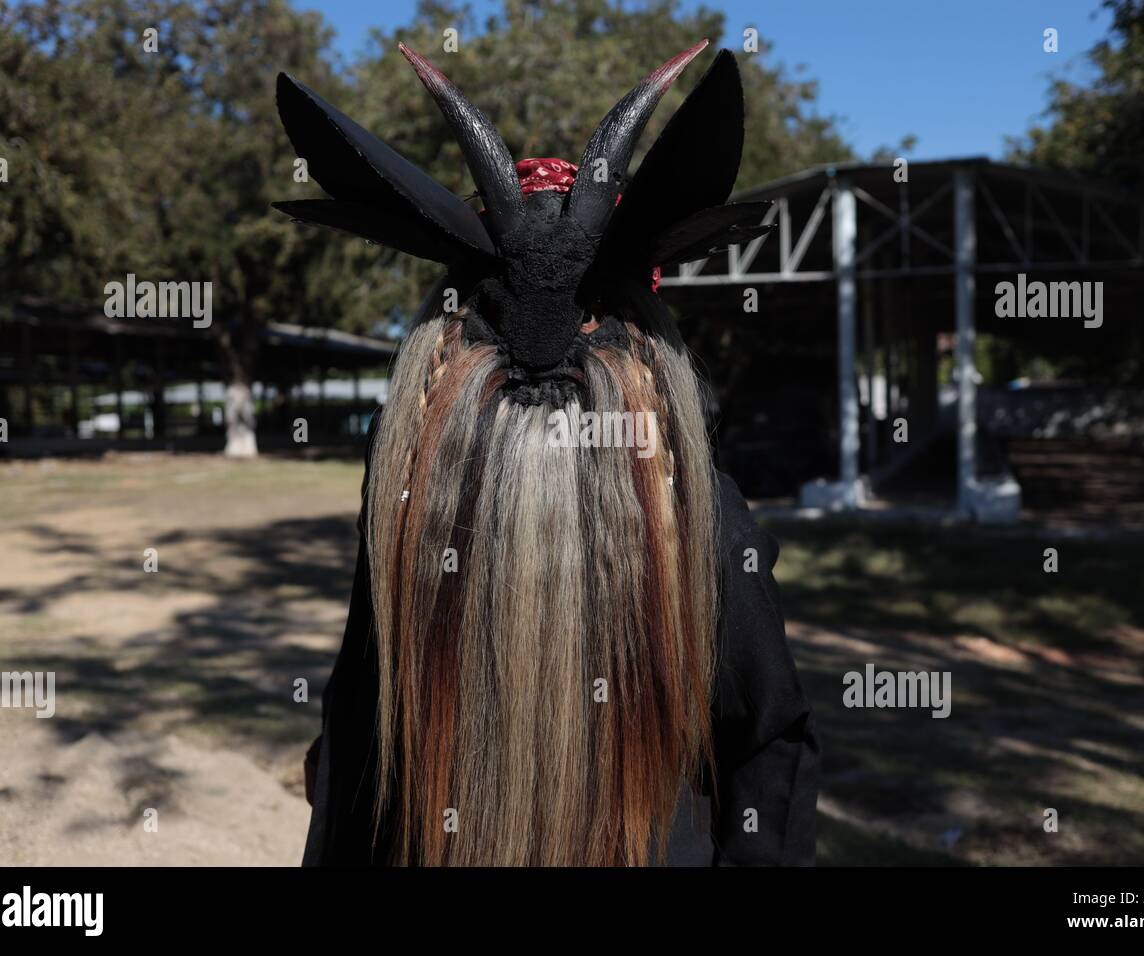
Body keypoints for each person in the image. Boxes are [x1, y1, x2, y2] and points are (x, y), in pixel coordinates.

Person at [278, 39, 820, 866]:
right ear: (649, 349)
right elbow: (768, 745)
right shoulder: (707, 519)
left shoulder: (403, 503)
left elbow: (357, 734)